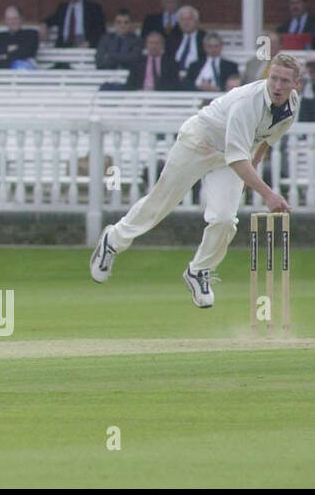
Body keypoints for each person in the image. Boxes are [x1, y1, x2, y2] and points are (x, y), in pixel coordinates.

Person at [91, 54, 301, 309]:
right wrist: (267, 194)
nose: (277, 86)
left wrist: (253, 173)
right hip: (199, 143)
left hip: (230, 157)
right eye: (274, 78)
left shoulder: (291, 104)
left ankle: (198, 271)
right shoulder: (248, 103)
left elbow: (265, 141)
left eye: (284, 81)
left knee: (224, 219)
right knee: (161, 202)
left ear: (296, 83)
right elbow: (237, 159)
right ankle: (113, 239)